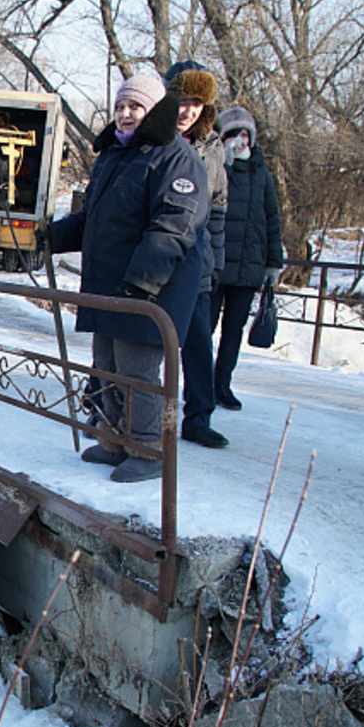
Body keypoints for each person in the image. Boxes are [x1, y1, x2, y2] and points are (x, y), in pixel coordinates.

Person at [47, 74, 209, 483]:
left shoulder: (175, 157)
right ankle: (114, 442)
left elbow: (175, 224)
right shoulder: (114, 156)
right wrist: (53, 236)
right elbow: (94, 219)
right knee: (106, 364)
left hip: (149, 288)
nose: (125, 114)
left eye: (135, 107)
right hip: (108, 283)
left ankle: (148, 450)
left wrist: (144, 281)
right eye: (120, 106)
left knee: (137, 370)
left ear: (153, 110)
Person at [163, 61, 229, 449]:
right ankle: (119, 411)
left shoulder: (212, 149)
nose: (188, 110)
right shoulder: (152, 138)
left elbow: (218, 207)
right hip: (156, 260)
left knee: (199, 344)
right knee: (137, 340)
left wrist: (214, 261)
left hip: (196, 263)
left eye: (197, 103)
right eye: (183, 100)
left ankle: (198, 417)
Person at [210, 106, 284, 411]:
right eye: (234, 135)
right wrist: (222, 164)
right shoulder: (216, 167)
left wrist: (273, 262)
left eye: (245, 135)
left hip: (248, 264)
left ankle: (222, 384)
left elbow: (272, 219)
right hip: (216, 262)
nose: (241, 141)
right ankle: (197, 384)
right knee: (204, 327)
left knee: (234, 329)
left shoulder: (261, 174)